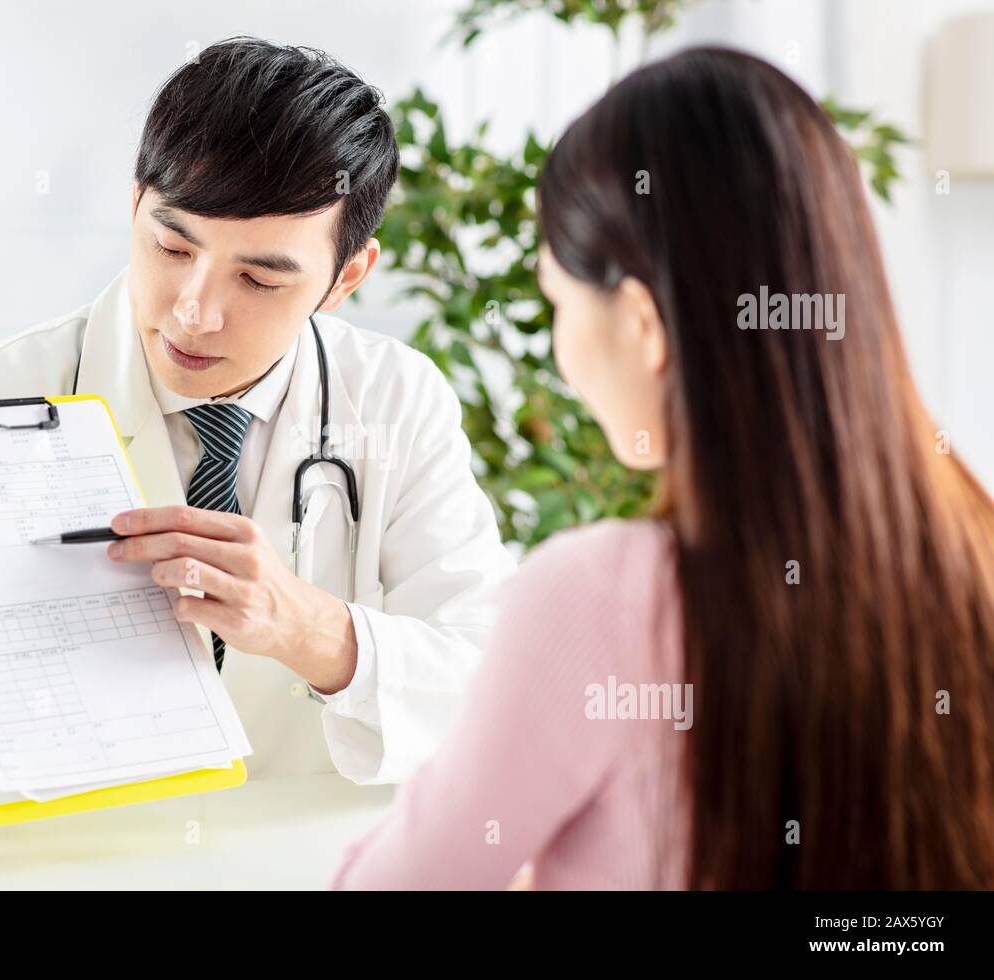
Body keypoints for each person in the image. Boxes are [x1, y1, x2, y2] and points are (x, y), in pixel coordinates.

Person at [332, 46, 994, 890]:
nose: (565, 358)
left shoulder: (600, 597)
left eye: (559, 305)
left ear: (643, 324)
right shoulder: (974, 549)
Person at [0, 37, 515, 822]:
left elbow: (489, 691)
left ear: (346, 276)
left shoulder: (398, 401)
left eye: (259, 278)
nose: (196, 309)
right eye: (171, 245)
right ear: (133, 208)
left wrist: (312, 631)